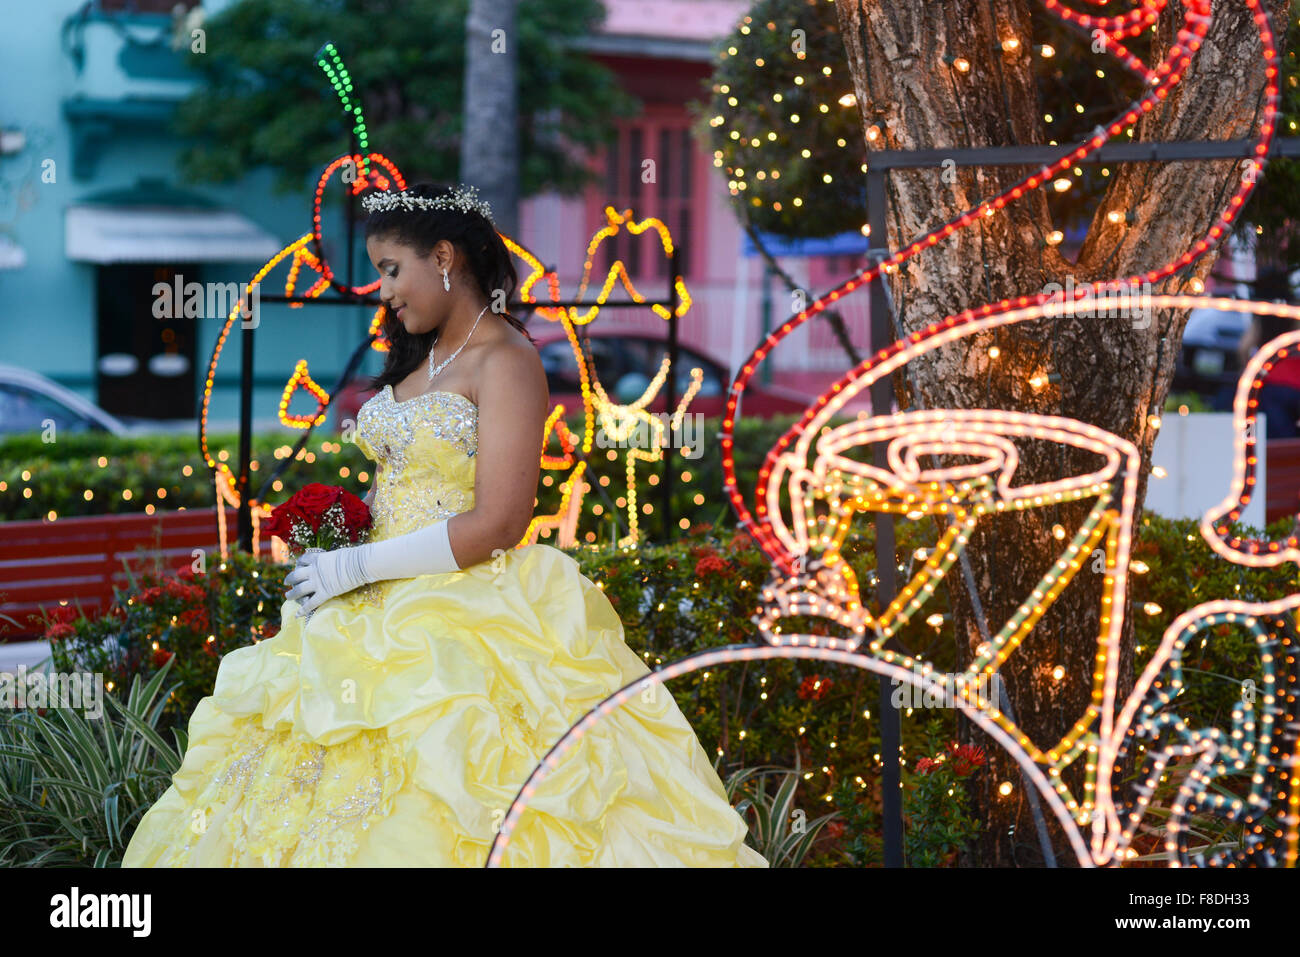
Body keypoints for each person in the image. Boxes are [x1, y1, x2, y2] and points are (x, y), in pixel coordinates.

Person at [123, 183, 767, 868]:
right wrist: (341, 550)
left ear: (444, 257)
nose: (384, 290)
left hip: (467, 601)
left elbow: (500, 520)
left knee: (460, 769)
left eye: (392, 269)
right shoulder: (419, 359)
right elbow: (400, 488)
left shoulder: (508, 360)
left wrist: (356, 566)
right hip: (369, 603)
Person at [1213, 314, 1300, 439]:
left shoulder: (1263, 312)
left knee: (1252, 432)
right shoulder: (1293, 310)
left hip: (1264, 382)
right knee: (1288, 443)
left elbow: (1244, 347)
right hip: (1293, 386)